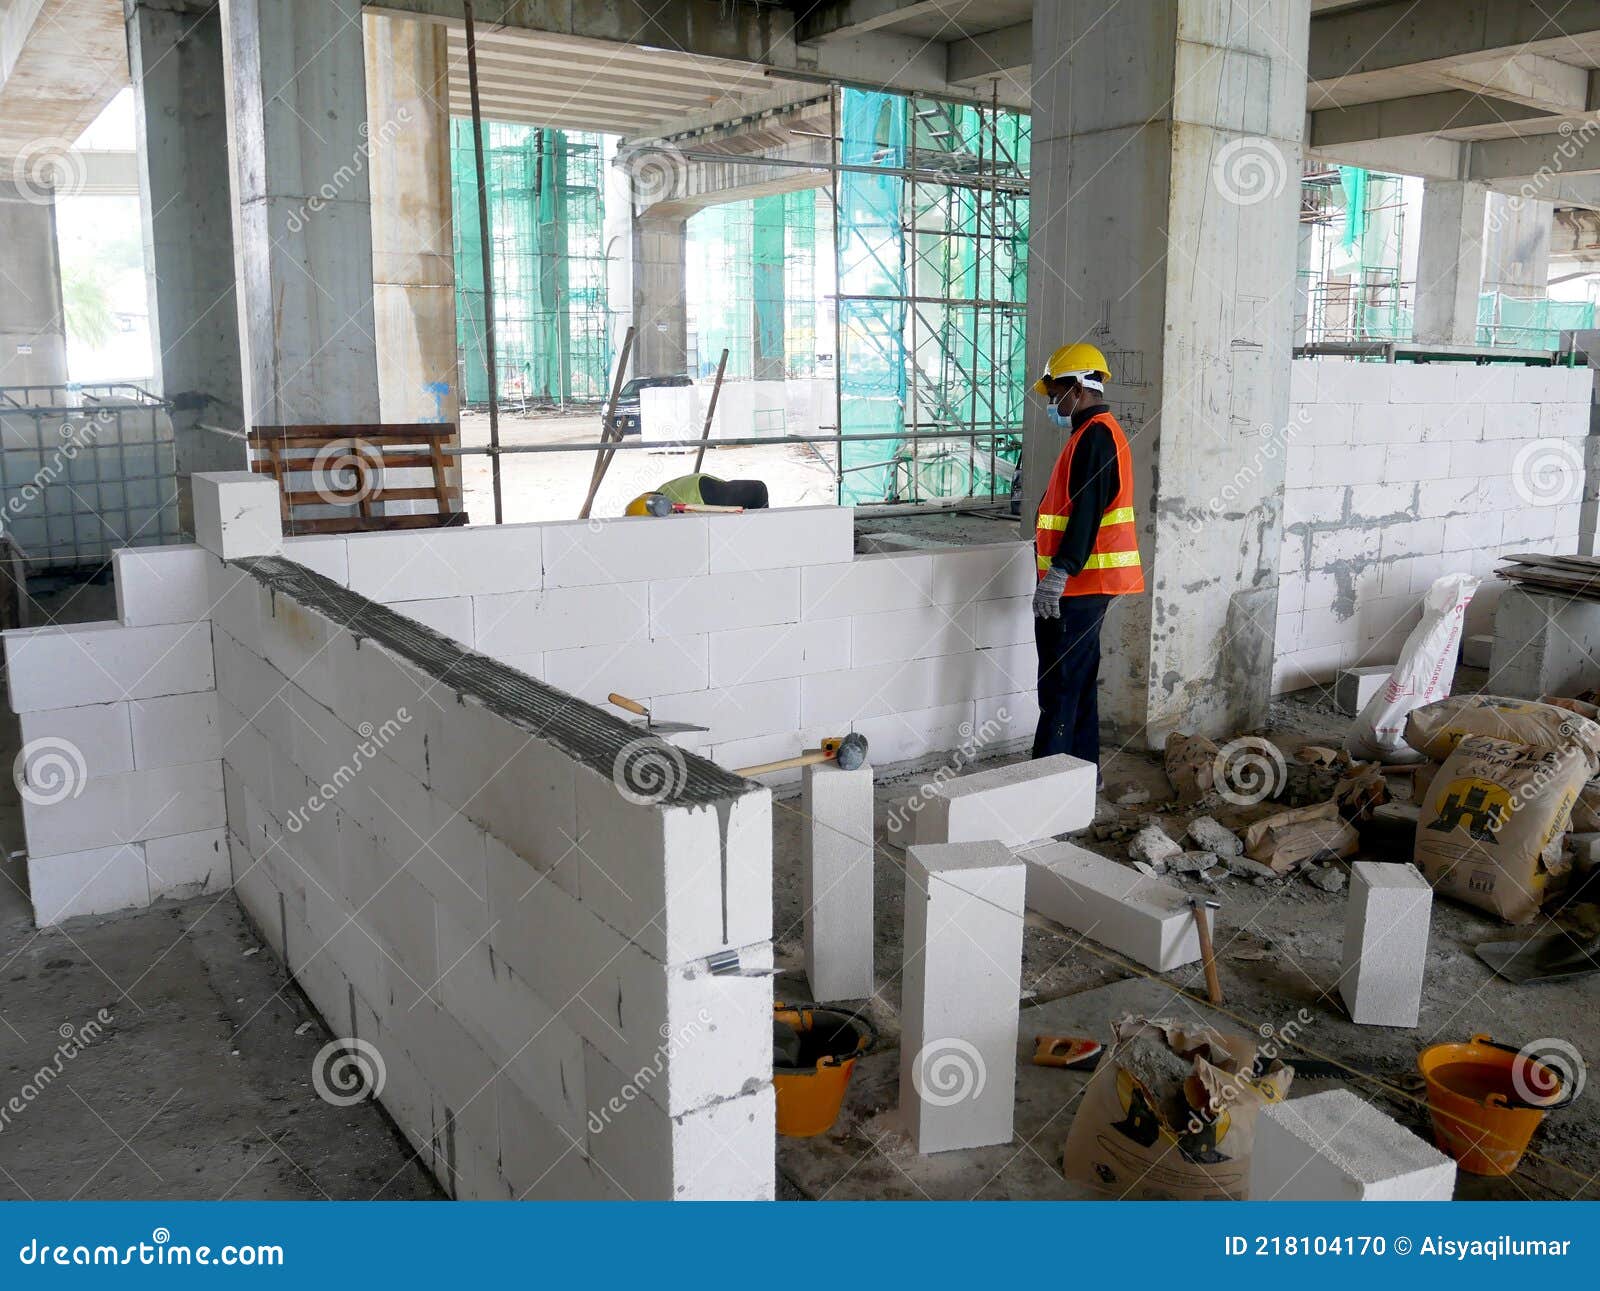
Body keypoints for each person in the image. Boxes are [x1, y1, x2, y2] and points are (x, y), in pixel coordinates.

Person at [1030, 342, 1145, 770]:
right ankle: (1081, 774)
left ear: (1077, 389)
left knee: (1060, 684)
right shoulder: (1091, 434)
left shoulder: (1096, 435)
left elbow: (1087, 511)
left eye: (1054, 392)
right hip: (1083, 586)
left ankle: (1048, 781)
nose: (1052, 402)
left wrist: (1060, 573)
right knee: (1074, 682)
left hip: (1077, 588)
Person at [624, 474, 769, 515]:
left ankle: (762, 530)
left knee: (758, 490)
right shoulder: (660, 492)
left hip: (702, 492)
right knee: (758, 489)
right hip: (701, 486)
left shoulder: (649, 509)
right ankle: (762, 527)